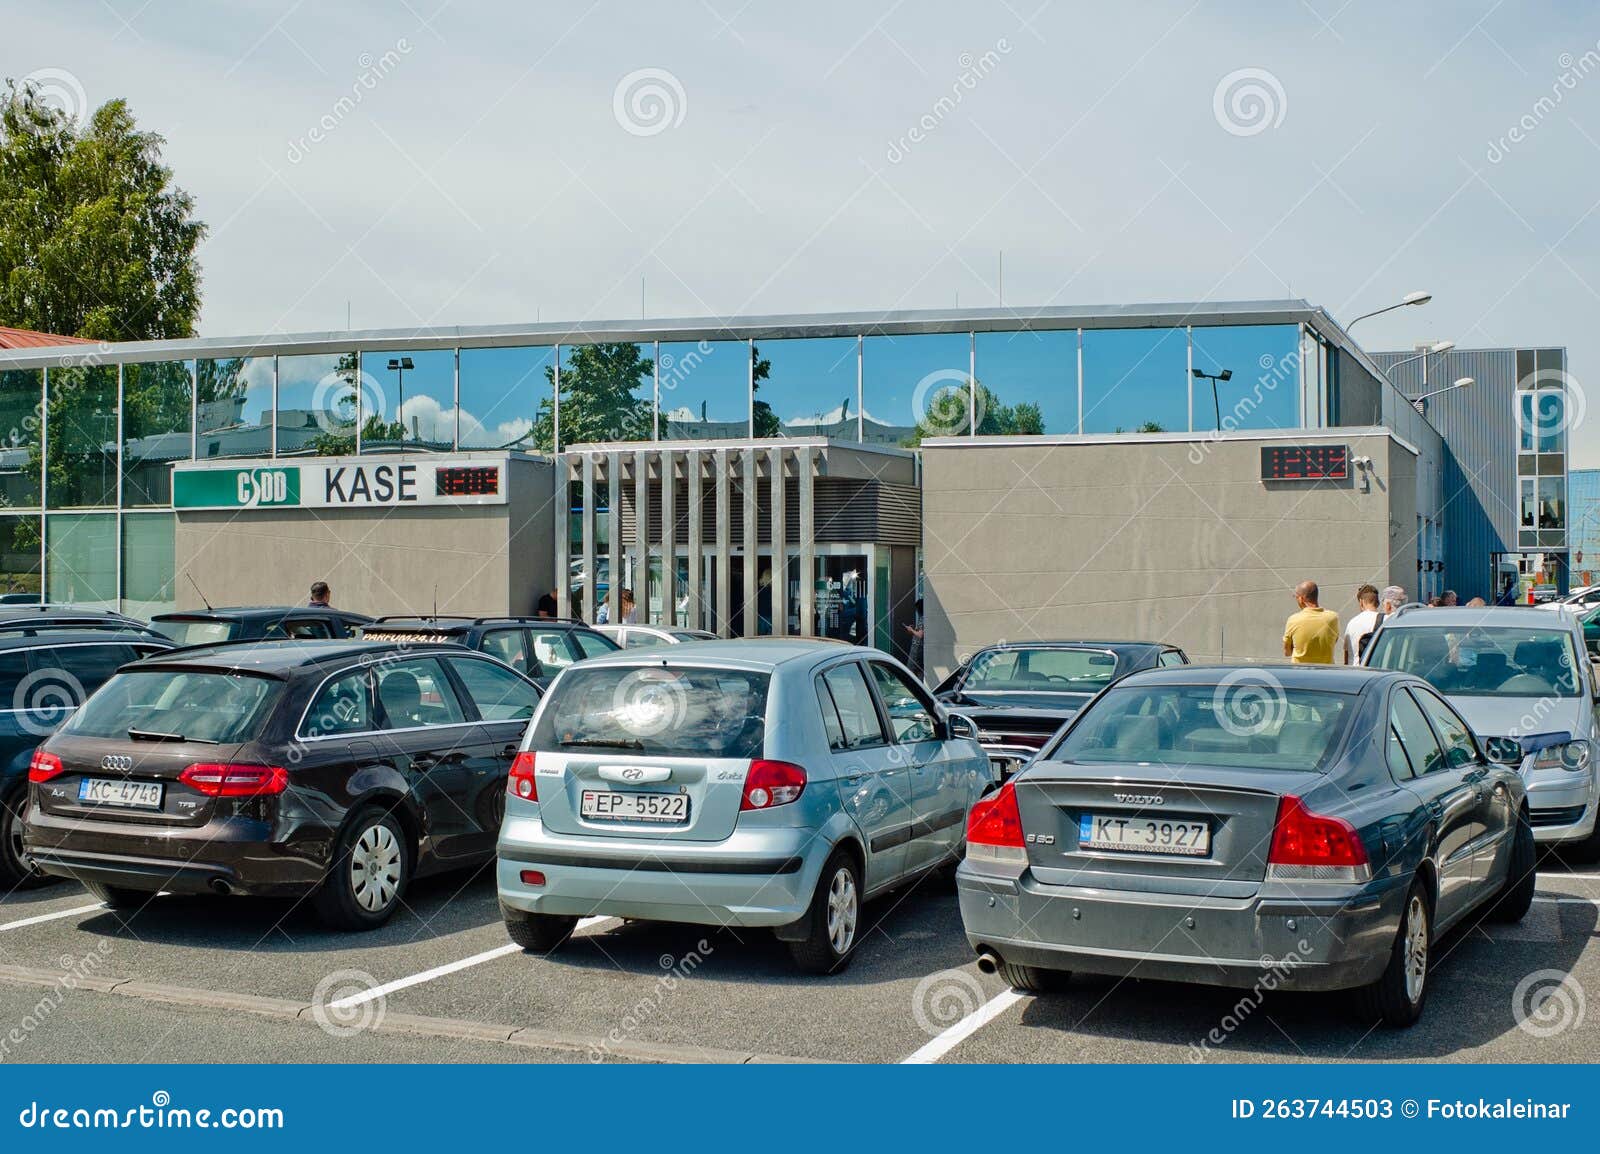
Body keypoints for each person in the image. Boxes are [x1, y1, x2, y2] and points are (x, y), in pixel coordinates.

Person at [1283, 580, 1340, 665]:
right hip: (1326, 673)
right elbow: (1333, 642)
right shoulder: (1333, 618)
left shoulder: (1293, 619)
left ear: (1301, 598)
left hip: (1299, 673)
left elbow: (1287, 652)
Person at [1341, 584, 1381, 665]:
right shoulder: (1385, 621)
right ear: (1378, 603)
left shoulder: (1352, 623)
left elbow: (1346, 653)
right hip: (1376, 671)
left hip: (1355, 672)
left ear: (1361, 602)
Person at [903, 599, 925, 678]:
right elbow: (918, 632)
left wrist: (911, 630)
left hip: (918, 650)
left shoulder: (923, 619)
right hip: (916, 648)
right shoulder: (921, 618)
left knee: (912, 670)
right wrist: (912, 630)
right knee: (917, 670)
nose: (916, 611)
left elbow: (920, 635)